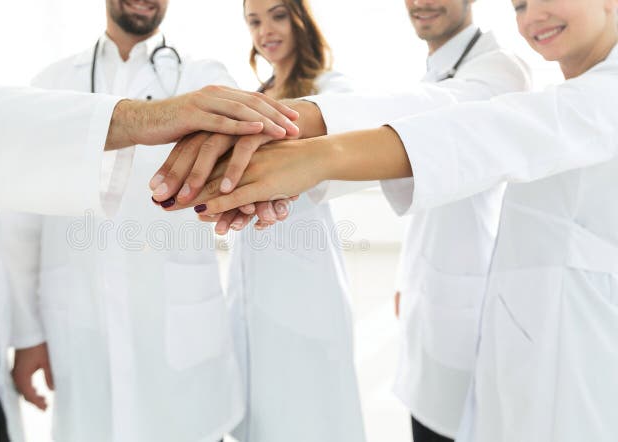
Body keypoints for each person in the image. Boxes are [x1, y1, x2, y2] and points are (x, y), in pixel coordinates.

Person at [0, 1, 298, 440]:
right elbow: (14, 214)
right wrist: (28, 335)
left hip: (155, 330)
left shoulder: (205, 74)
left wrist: (261, 184)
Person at [177, 0, 618, 440]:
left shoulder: (532, 81)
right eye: (520, 4)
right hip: (509, 353)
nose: (532, 15)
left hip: (570, 373)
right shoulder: (551, 86)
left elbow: (476, 126)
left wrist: (312, 151)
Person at [4, 1, 251, 441]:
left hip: (177, 329)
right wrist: (26, 334)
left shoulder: (204, 78)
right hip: (80, 327)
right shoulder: (52, 84)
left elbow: (243, 170)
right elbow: (21, 222)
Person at [216, 0, 363, 440]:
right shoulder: (258, 93)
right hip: (252, 269)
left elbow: (345, 150)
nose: (266, 31)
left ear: (301, 19)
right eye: (254, 21)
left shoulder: (330, 88)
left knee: (305, 410)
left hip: (304, 276)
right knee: (259, 408)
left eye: (277, 15)